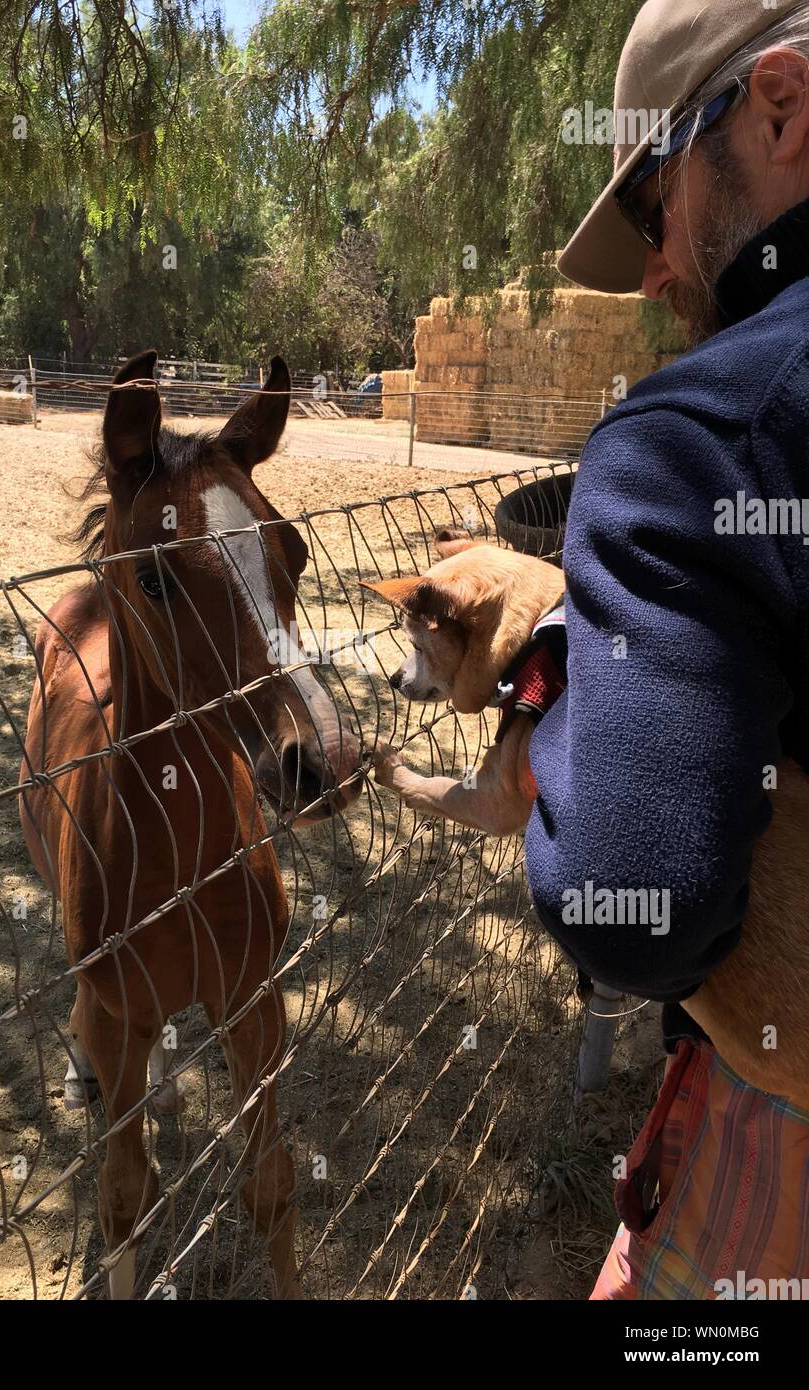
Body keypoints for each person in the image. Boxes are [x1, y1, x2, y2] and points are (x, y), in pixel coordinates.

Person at [526, 0, 809, 1300]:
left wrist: (555, 719)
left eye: (652, 206)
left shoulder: (689, 437)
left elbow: (626, 901)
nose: (652, 267)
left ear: (781, 108)